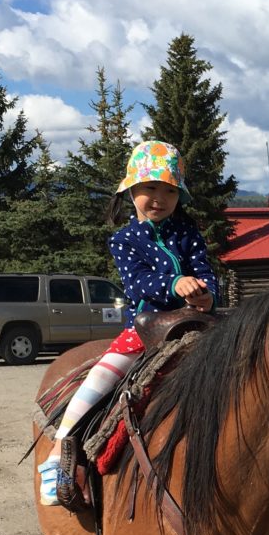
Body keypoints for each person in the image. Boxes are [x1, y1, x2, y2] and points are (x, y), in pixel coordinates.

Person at [38, 140, 218, 506]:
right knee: (102, 376)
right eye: (150, 187)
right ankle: (60, 449)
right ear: (131, 190)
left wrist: (207, 296)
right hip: (147, 328)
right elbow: (137, 283)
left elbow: (205, 272)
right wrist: (174, 284)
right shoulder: (124, 240)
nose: (160, 198)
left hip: (196, 322)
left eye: (170, 191)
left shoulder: (187, 232)